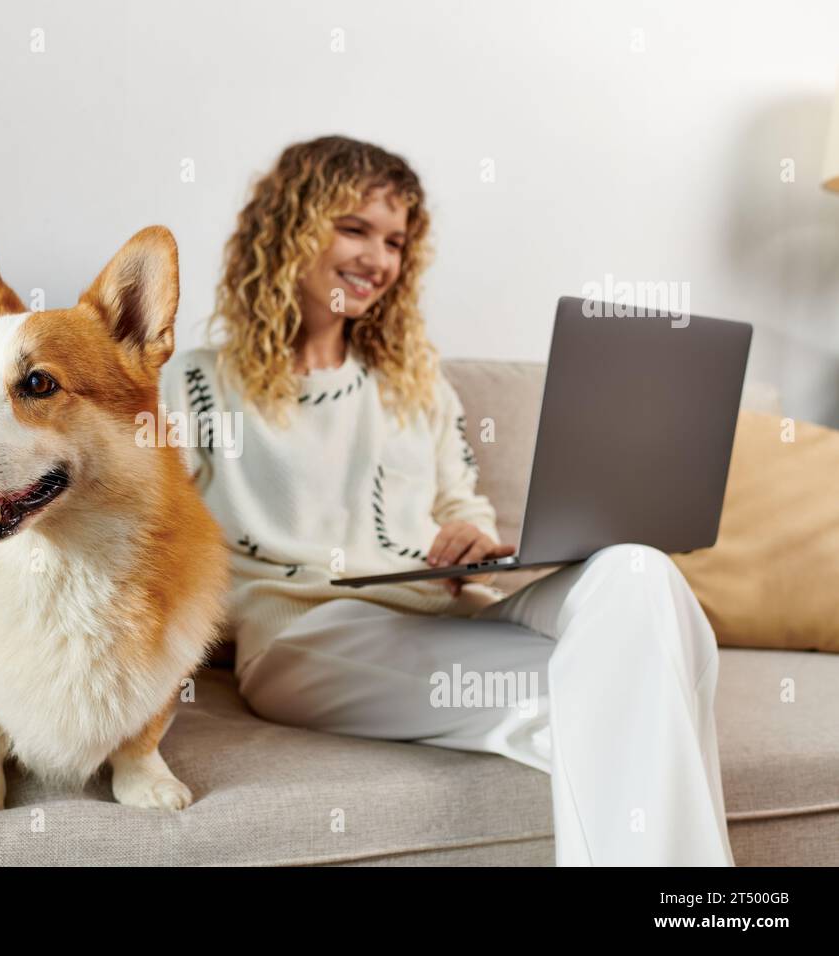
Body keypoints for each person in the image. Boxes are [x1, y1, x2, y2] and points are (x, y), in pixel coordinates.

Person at [160, 135, 735, 866]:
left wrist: (470, 540)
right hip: (310, 638)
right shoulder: (197, 382)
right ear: (287, 228)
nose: (378, 258)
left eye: (395, 241)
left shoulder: (416, 383)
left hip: (449, 608)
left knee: (639, 574)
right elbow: (155, 531)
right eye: (354, 227)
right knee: (653, 694)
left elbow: (462, 504)